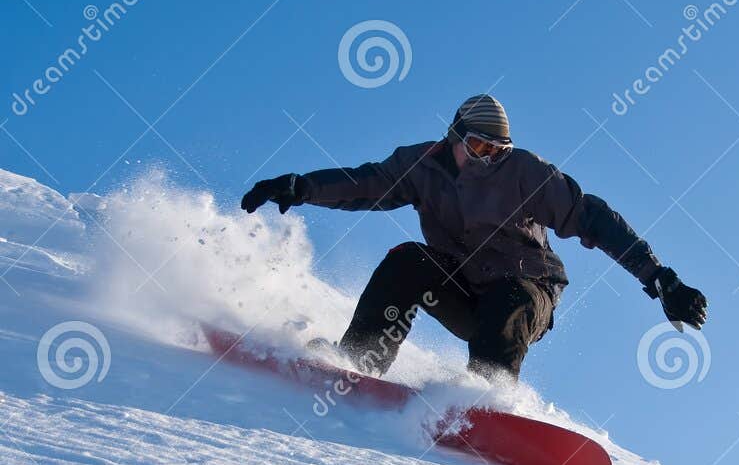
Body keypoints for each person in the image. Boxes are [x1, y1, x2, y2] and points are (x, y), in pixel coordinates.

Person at [241, 94, 707, 381]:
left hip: (527, 291)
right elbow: (365, 184)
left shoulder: (524, 172)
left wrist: (659, 277)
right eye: (480, 146)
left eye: (497, 150)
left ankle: (487, 395)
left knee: (510, 296)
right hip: (463, 289)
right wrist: (302, 187)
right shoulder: (420, 166)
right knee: (407, 260)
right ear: (455, 137)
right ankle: (359, 360)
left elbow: (592, 218)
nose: (488, 158)